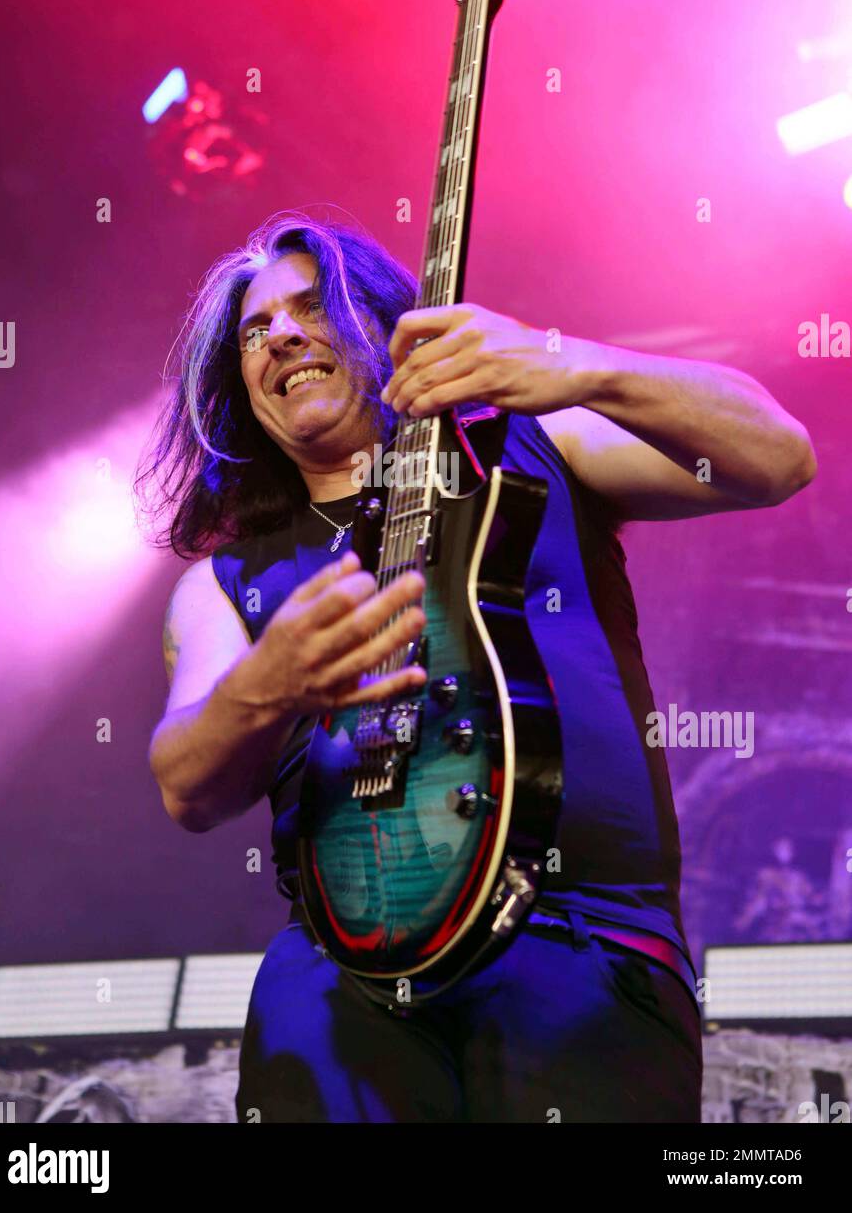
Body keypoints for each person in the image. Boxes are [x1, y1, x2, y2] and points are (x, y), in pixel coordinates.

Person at [138, 212, 816, 1123]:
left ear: (383, 323)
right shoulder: (225, 582)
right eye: (256, 332)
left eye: (310, 307)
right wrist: (272, 683)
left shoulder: (535, 442)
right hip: (342, 984)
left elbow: (778, 459)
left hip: (585, 945)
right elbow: (185, 787)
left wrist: (577, 365)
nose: (282, 336)